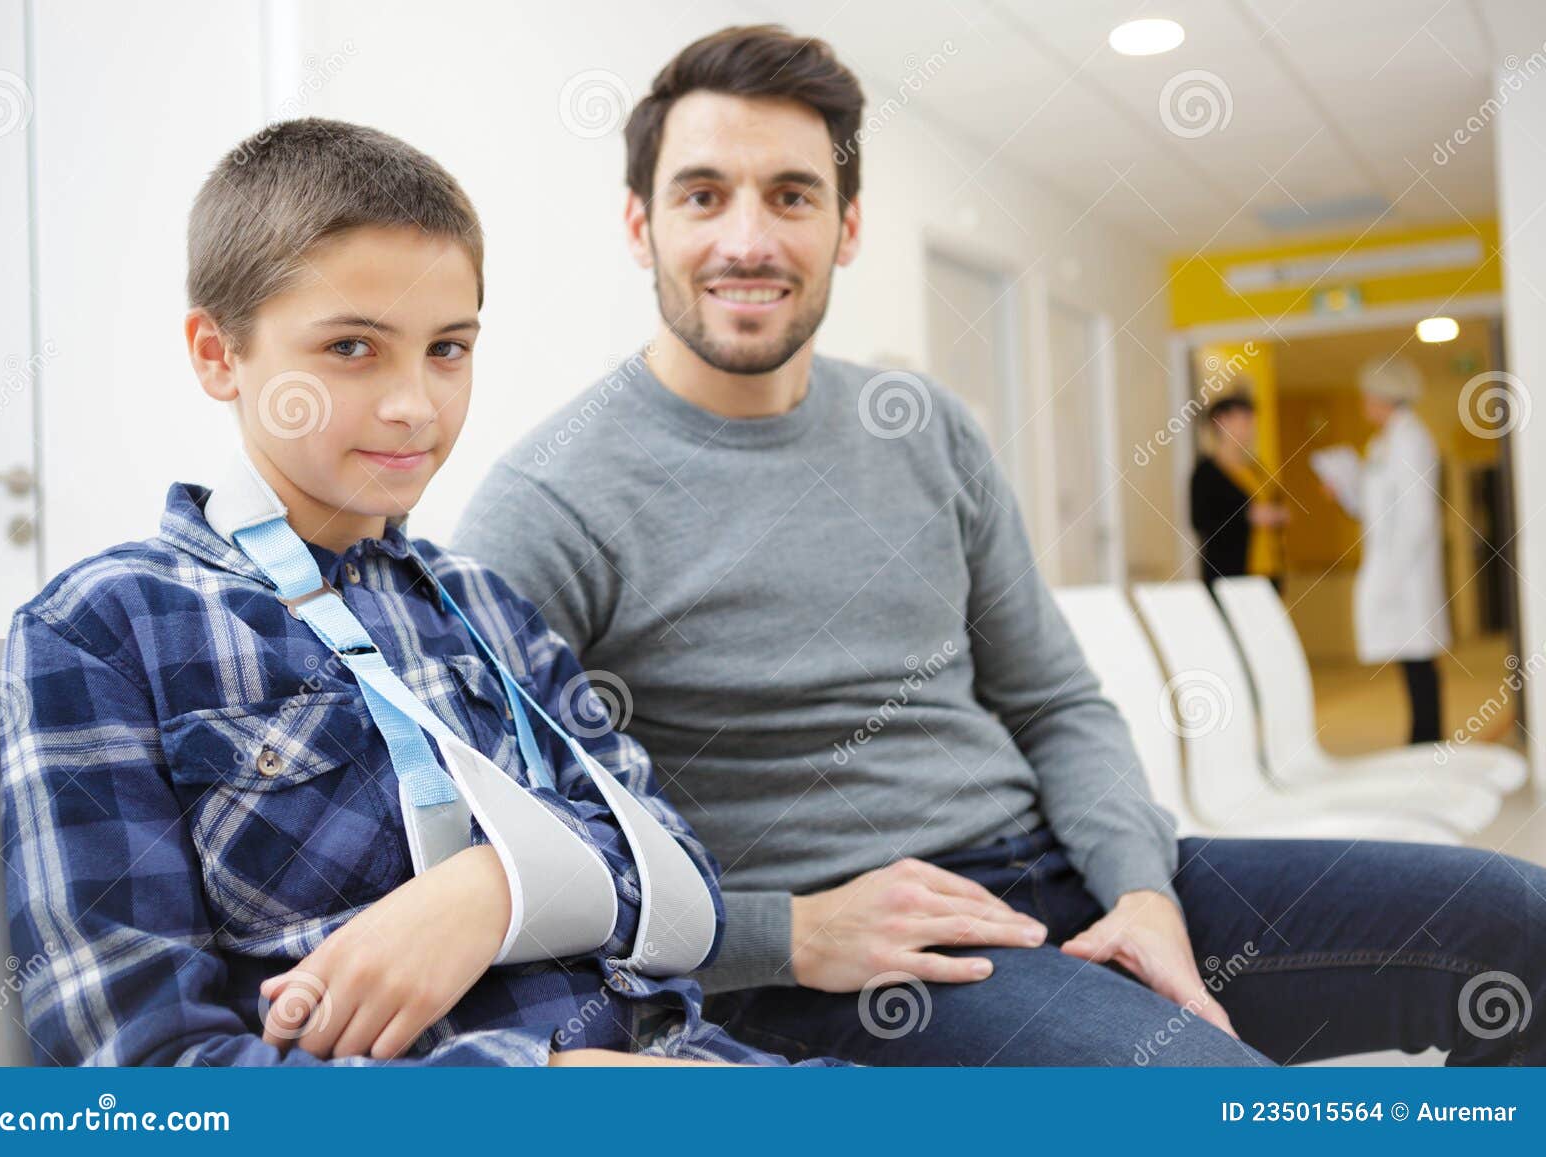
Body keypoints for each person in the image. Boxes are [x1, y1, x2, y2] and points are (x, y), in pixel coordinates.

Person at [456, 24, 1546, 1067]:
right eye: (703, 195)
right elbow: (499, 858)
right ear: (641, 225)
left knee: (1519, 922)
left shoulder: (923, 427)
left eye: (792, 195)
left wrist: (1140, 888)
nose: (749, 239)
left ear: (846, 226)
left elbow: (1056, 700)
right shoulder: (552, 497)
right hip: (860, 957)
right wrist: (780, 934)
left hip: (1066, 876)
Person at [0, 118, 840, 1068]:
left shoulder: (486, 605)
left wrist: (496, 889)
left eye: (448, 348)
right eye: (353, 348)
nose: (415, 404)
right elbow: (144, 1072)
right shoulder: (107, 629)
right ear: (217, 353)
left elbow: (687, 889)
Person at [1321, 355, 1450, 745]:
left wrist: (1392, 576)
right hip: (1392, 566)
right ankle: (1422, 738)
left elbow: (1417, 516)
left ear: (1385, 397)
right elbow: (1373, 507)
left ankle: (1428, 741)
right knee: (1409, 658)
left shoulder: (1411, 440)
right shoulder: (1383, 443)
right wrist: (1344, 489)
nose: (1364, 402)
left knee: (1419, 659)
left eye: (1368, 395)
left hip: (1406, 573)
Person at [1190, 393, 1288, 584]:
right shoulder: (1206, 473)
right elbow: (1200, 520)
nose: (1250, 429)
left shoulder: (1255, 469)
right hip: (1228, 576)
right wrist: (1247, 516)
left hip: (1267, 573)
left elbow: (1272, 502)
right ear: (1220, 422)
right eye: (1243, 421)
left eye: (1251, 422)